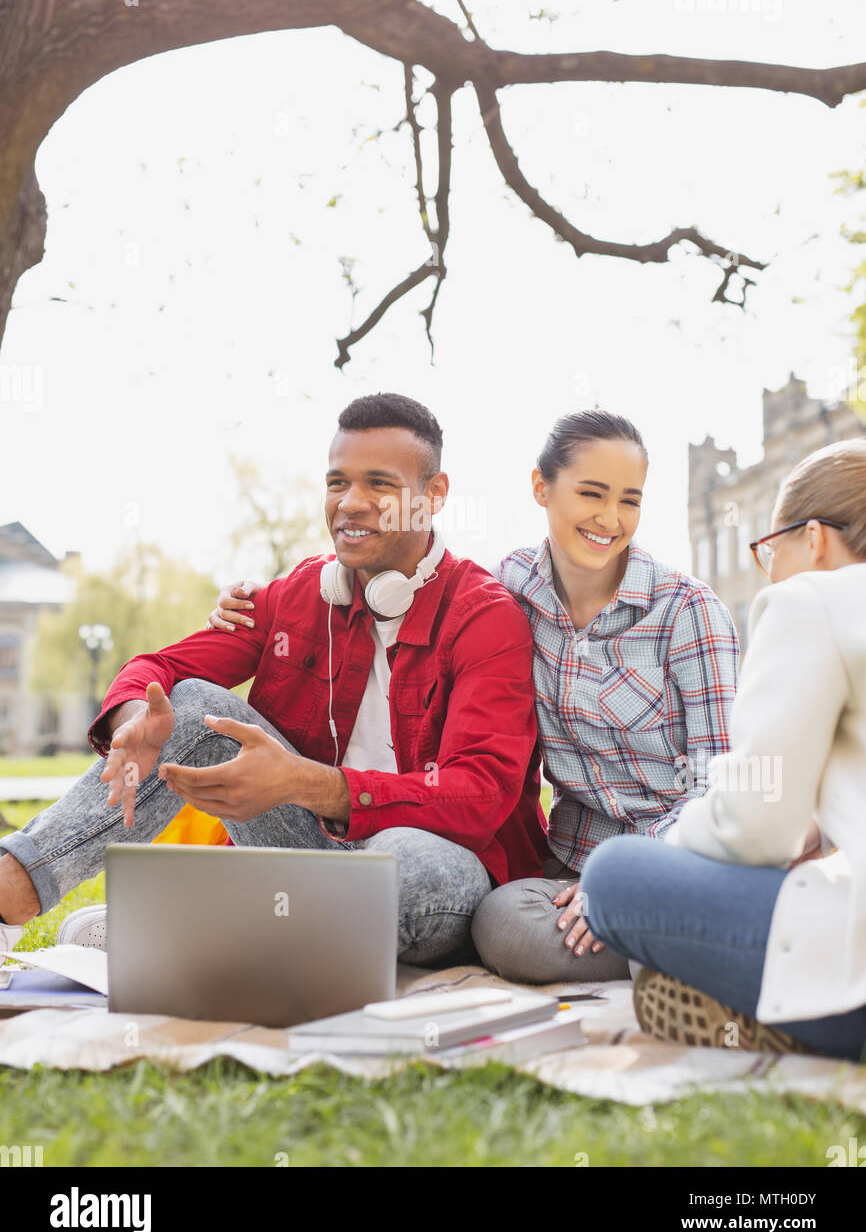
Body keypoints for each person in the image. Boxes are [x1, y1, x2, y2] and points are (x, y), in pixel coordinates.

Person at [0, 393, 547, 968]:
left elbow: (481, 793)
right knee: (190, 705)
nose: (350, 504)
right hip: (308, 850)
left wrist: (308, 783)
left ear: (434, 495)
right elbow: (161, 671)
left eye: (379, 485)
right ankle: (11, 893)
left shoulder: (486, 617)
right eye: (337, 483)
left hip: (436, 863)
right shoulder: (299, 594)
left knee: (397, 863)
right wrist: (133, 717)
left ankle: (187, 926)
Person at [211, 409, 740, 984]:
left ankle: (679, 939)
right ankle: (674, 945)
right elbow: (424, 585)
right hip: (563, 868)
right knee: (502, 925)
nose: (610, 518)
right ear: (542, 487)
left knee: (512, 937)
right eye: (592, 493)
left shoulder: (689, 613)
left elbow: (722, 784)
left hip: (674, 860)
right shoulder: (511, 590)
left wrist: (628, 882)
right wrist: (260, 602)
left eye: (630, 501)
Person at [578, 437, 866, 1060]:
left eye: (770, 550)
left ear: (813, 538)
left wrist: (677, 851)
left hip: (856, 987)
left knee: (612, 874)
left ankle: (772, 1011)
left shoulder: (811, 601)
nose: (770, 570)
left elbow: (754, 826)